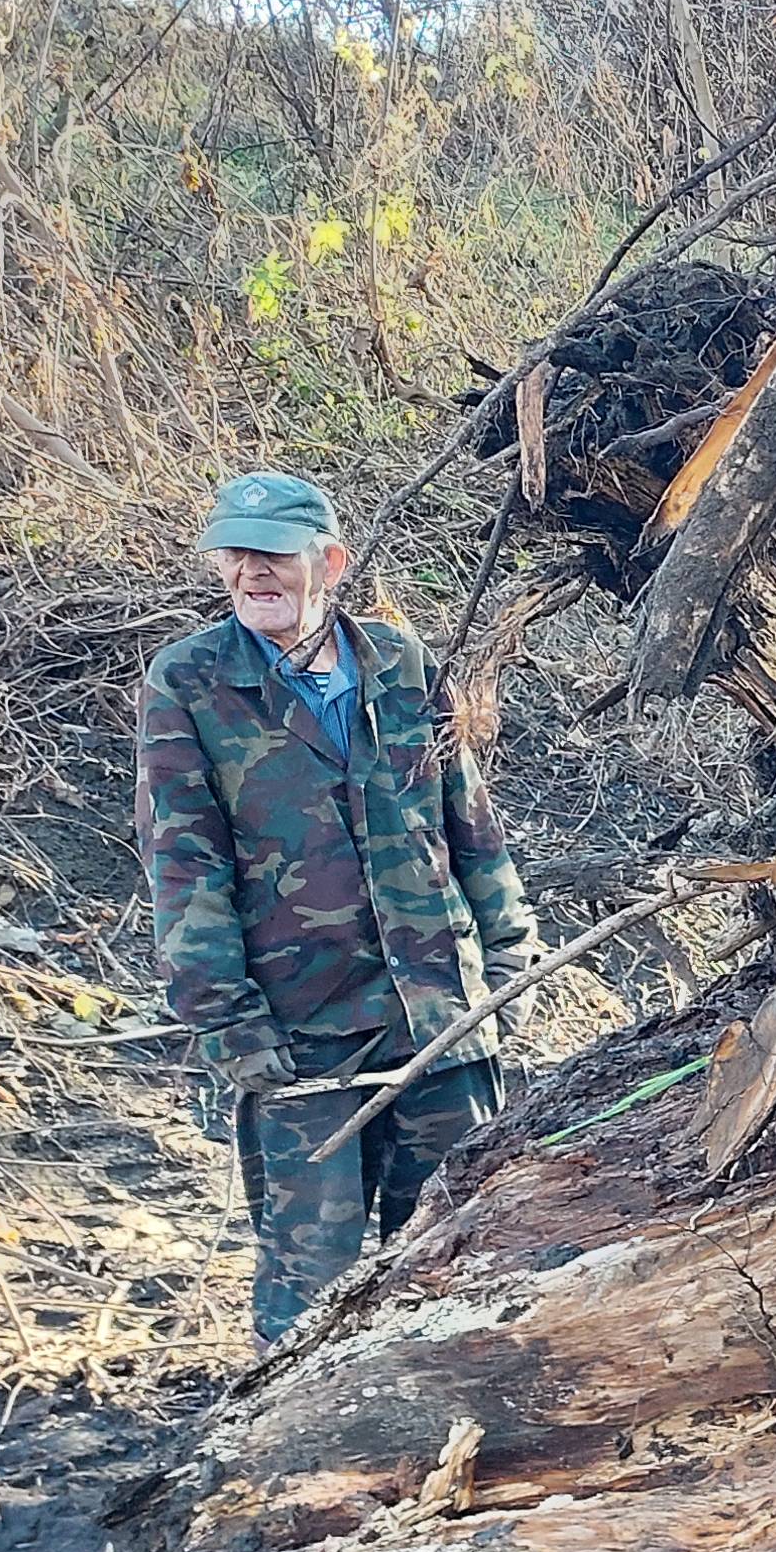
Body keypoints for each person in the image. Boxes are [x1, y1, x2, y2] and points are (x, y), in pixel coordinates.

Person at [139, 473, 543, 1345]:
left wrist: (506, 964)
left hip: (443, 1022)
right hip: (302, 1040)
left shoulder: (403, 662)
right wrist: (230, 1025)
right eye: (235, 556)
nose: (251, 574)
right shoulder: (191, 683)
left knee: (452, 1260)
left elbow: (470, 821)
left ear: (329, 562)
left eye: (271, 556)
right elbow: (184, 870)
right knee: (309, 1291)